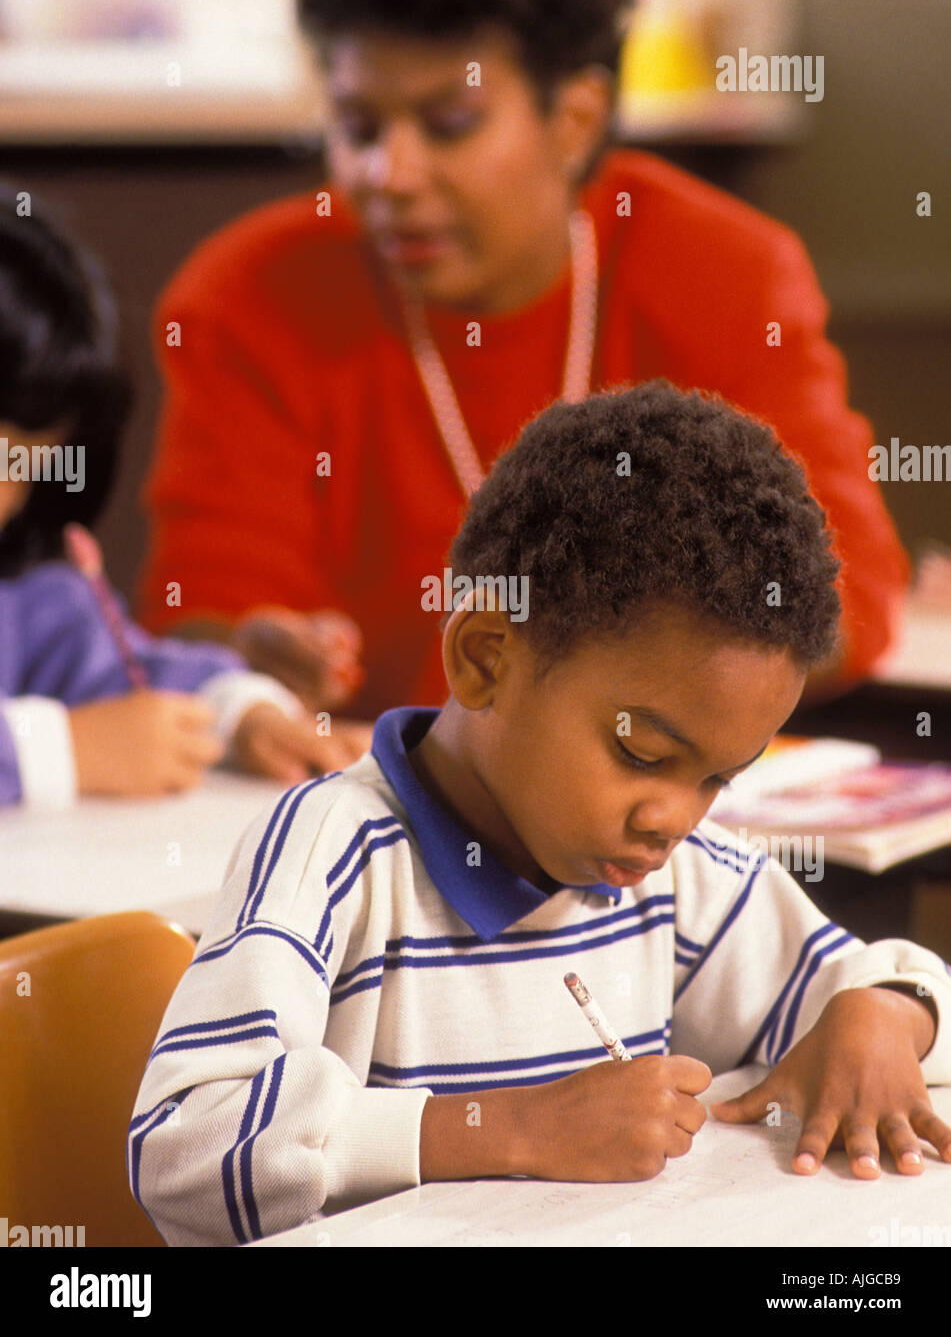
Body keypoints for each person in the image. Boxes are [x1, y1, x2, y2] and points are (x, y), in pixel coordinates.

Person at [129, 381, 949, 1248]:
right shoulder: (331, 855)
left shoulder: (674, 880)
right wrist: (509, 1129)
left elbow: (874, 984)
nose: (671, 818)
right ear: (485, 658)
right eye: (641, 755)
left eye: (716, 779)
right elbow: (186, 1146)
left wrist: (885, 1014)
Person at [137, 0, 908, 756]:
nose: (386, 174)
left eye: (449, 125)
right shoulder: (249, 294)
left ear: (573, 119)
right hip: (370, 814)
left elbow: (845, 607)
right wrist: (250, 670)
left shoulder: (727, 275)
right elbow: (195, 614)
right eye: (357, 126)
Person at [0, 190, 370, 806]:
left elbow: (131, 670)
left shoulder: (26, 603)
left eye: (21, 462)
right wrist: (58, 751)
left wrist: (243, 715)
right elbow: (77, 740)